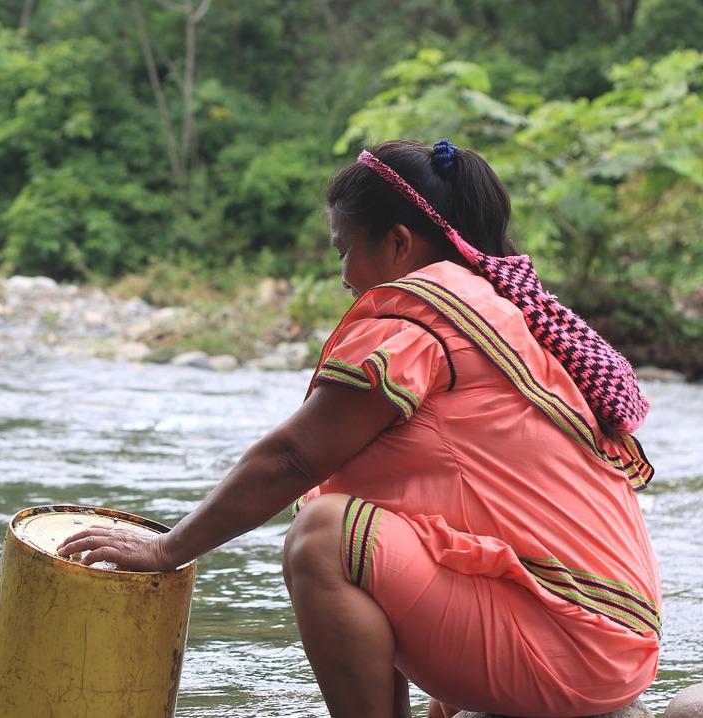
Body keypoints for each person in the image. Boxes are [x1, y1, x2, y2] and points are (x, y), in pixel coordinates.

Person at [59, 140, 659, 718]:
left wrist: (166, 549)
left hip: (572, 649)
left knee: (325, 534)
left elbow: (294, 457)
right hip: (613, 645)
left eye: (345, 250)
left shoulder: (419, 316)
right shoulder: (502, 314)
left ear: (399, 242)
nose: (344, 275)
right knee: (354, 514)